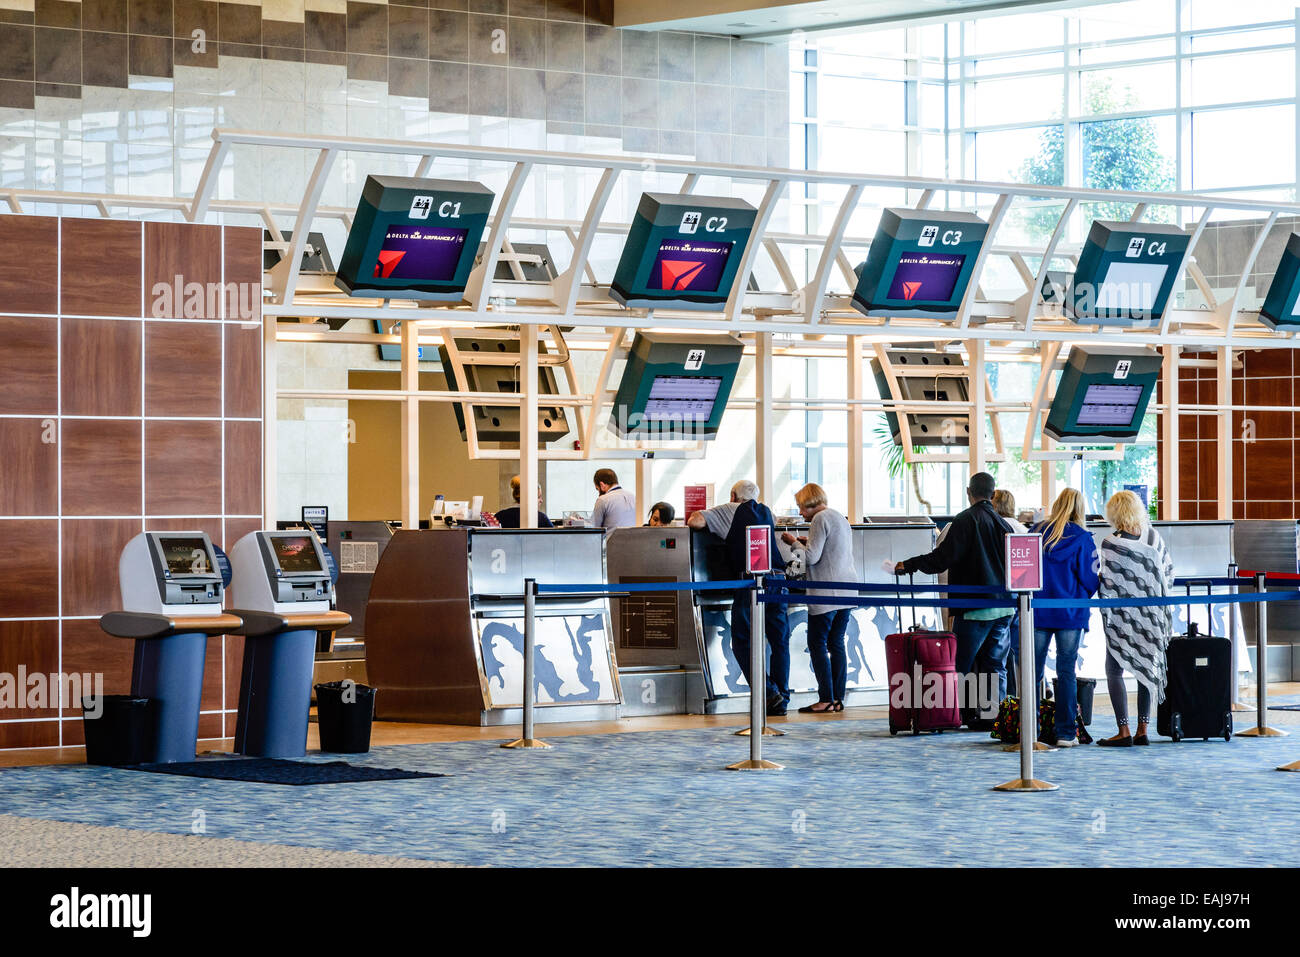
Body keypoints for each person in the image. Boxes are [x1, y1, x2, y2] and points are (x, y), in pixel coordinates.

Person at [894, 470, 1012, 728]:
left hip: (974, 608)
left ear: (968, 492)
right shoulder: (1004, 524)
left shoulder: (965, 520)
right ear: (993, 495)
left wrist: (909, 565)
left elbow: (942, 559)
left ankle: (952, 716)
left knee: (958, 665)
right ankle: (995, 718)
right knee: (995, 666)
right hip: (1003, 607)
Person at [688, 480, 791, 715]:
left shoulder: (727, 509)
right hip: (778, 580)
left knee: (742, 641)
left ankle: (768, 692)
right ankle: (781, 699)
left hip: (751, 583)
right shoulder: (767, 512)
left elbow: (694, 522)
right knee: (778, 641)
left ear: (733, 495)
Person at [1096, 490, 1174, 748]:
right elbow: (1168, 573)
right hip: (1152, 616)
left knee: (1114, 669)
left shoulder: (1110, 543)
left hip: (1122, 618)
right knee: (1145, 670)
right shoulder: (1153, 537)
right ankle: (1143, 729)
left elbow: (1107, 583)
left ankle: (1123, 729)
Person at [1026, 487, 1099, 747]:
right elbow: (1091, 580)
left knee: (1032, 671)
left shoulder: (1035, 532)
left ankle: (1030, 731)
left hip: (1036, 611)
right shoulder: (1083, 539)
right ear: (1080, 509)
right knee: (1066, 671)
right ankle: (1066, 733)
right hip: (1070, 613)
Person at [781, 483, 855, 714]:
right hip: (848, 590)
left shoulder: (819, 519)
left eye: (801, 507)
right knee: (837, 643)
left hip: (826, 592)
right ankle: (837, 699)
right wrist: (806, 542)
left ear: (809, 503)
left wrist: (792, 542)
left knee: (817, 644)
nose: (801, 513)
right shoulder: (839, 517)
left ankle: (825, 699)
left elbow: (811, 558)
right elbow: (828, 550)